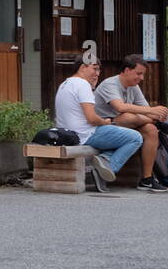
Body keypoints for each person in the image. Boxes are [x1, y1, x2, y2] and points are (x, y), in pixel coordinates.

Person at [53, 59, 142, 193]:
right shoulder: (82, 85)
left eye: (99, 70)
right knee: (135, 137)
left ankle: (103, 162)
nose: (97, 73)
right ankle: (107, 165)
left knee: (118, 136)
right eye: (94, 68)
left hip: (68, 134)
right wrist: (105, 122)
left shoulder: (65, 84)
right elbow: (92, 118)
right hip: (85, 135)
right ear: (82, 67)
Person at [94, 53, 168, 193]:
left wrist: (156, 114)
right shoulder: (110, 84)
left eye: (142, 74)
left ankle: (147, 179)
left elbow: (146, 109)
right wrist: (153, 112)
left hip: (125, 128)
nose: (141, 78)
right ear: (126, 70)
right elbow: (120, 107)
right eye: (139, 74)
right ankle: (157, 124)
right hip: (103, 127)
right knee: (128, 116)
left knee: (150, 130)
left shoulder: (133, 86)